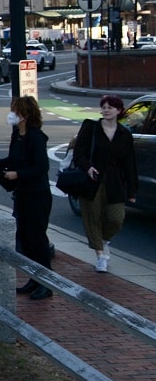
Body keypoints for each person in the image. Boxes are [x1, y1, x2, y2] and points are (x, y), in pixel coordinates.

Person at [0, 95, 54, 299]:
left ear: (25, 115)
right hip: (22, 194)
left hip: (37, 195)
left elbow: (41, 166)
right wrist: (0, 163)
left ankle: (46, 283)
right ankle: (33, 279)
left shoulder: (36, 137)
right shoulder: (17, 135)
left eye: (15, 111)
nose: (11, 115)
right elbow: (14, 158)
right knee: (26, 239)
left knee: (38, 239)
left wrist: (18, 174)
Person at [72, 94, 138, 274]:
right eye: (104, 107)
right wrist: (88, 167)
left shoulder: (124, 134)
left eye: (111, 107)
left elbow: (129, 164)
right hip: (92, 181)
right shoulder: (91, 127)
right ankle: (101, 256)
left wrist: (132, 190)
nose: (106, 110)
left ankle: (104, 240)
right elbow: (79, 153)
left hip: (115, 182)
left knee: (116, 219)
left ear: (119, 110)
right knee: (92, 217)